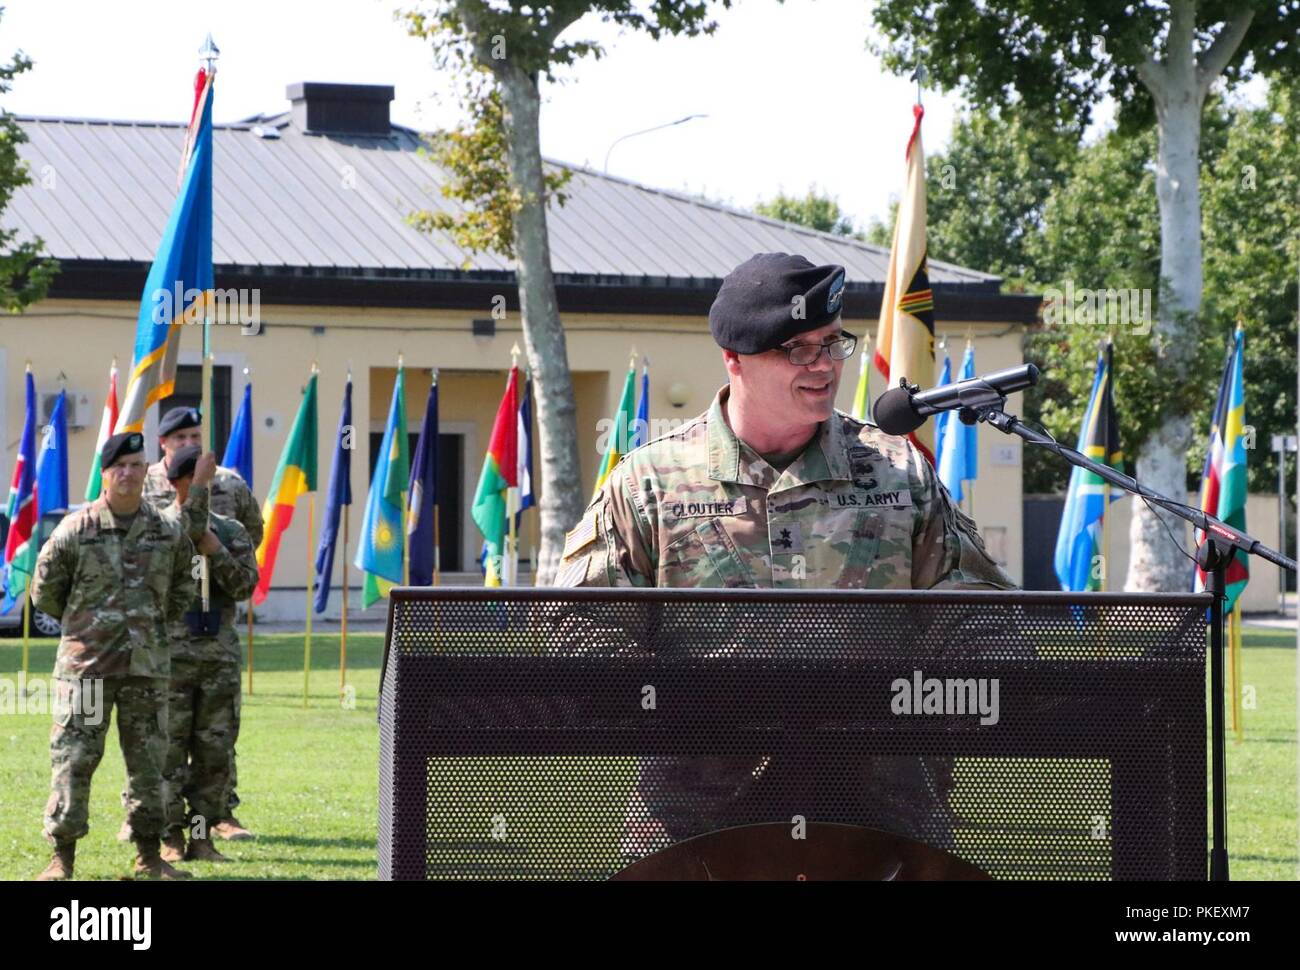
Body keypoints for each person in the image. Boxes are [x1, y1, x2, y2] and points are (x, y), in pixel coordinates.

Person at [554, 252, 1017, 857]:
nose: (823, 365)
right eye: (797, 349)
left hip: (883, 818)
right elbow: (579, 629)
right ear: (735, 358)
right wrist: (687, 704)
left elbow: (979, 615)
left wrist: (944, 694)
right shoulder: (651, 483)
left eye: (832, 343)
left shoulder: (899, 471)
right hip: (696, 821)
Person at [30, 431, 200, 880]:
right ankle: (62, 858)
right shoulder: (76, 529)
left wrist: (149, 626)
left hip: (146, 670)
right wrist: (87, 629)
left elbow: (184, 588)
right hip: (88, 672)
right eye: (119, 466)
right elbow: (45, 592)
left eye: (135, 465)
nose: (128, 473)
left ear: (146, 471)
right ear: (105, 474)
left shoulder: (167, 532)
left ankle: (149, 856)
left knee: (150, 764)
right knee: (75, 758)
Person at [137, 404, 261, 842]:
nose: (190, 444)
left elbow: (248, 553)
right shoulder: (147, 497)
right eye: (180, 438)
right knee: (163, 740)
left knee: (216, 741)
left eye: (196, 437)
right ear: (163, 445)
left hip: (216, 639)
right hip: (166, 642)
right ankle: (162, 827)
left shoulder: (230, 495)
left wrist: (217, 549)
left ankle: (211, 822)